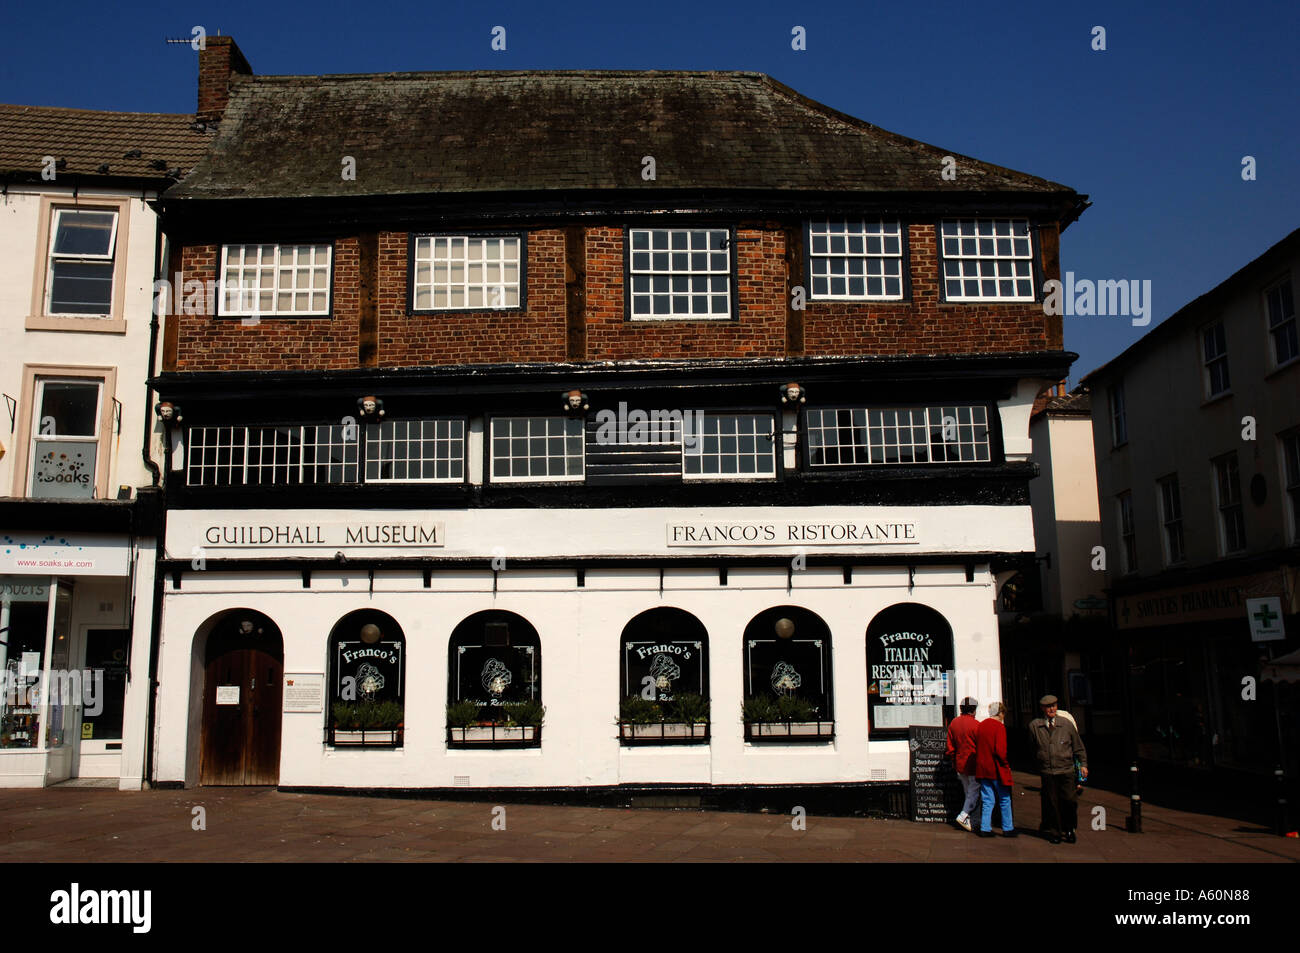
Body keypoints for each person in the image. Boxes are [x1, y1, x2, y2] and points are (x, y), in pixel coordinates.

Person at [1029, 693, 1088, 844]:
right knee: (1052, 803)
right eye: (1048, 707)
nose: (1051, 709)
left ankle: (1070, 829)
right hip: (1048, 771)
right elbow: (1032, 747)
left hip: (1066, 770)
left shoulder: (1066, 724)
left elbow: (1078, 747)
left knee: (1069, 800)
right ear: (1043, 708)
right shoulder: (1035, 726)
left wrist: (1083, 765)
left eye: (1054, 706)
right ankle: (1056, 832)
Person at [974, 701, 1015, 838]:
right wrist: (1005, 764)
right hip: (996, 769)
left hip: (982, 768)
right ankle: (1008, 828)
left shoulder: (981, 726)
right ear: (1001, 713)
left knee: (987, 799)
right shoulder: (999, 727)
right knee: (1004, 798)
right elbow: (1001, 751)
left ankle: (985, 827)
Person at [944, 696, 981, 831]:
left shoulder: (954, 723)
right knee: (974, 792)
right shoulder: (977, 725)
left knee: (967, 791)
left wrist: (953, 759)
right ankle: (963, 815)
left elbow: (950, 746)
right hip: (973, 764)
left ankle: (968, 819)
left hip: (959, 763)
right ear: (973, 710)